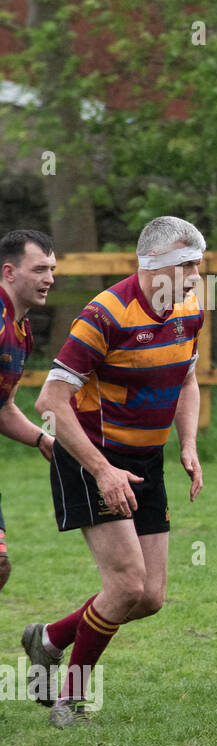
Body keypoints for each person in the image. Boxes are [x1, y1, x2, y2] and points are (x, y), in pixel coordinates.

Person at [25, 217, 206, 727]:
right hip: (91, 457)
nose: (194, 275)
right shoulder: (105, 314)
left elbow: (187, 380)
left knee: (149, 598)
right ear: (151, 266)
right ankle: (68, 698)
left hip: (145, 462)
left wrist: (187, 444)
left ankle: (49, 638)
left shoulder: (189, 308)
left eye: (198, 263)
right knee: (126, 585)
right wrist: (104, 470)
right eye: (184, 264)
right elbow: (50, 402)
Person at [1, 230, 58, 597]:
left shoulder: (21, 331)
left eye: (52, 270)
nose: (49, 279)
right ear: (9, 272)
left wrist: (42, 438)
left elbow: (3, 407)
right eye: (39, 269)